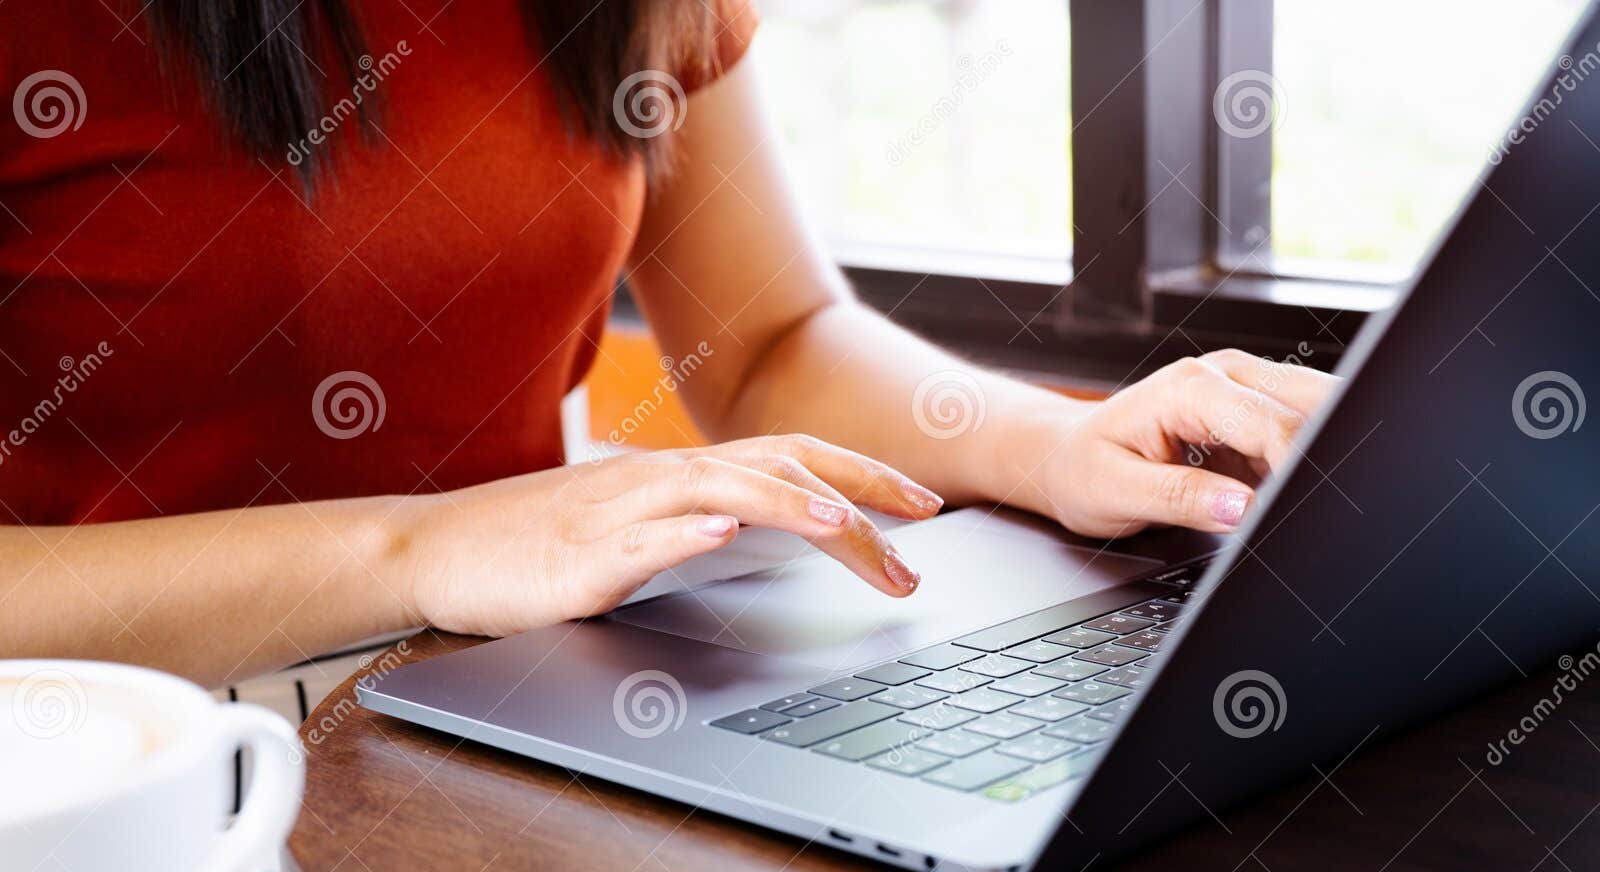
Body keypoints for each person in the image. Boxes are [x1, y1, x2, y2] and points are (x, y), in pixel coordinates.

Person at [0, 0, 1334, 690]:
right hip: (110, 748)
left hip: (502, 701)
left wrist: (1048, 441)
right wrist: (418, 547)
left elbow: (768, 342)